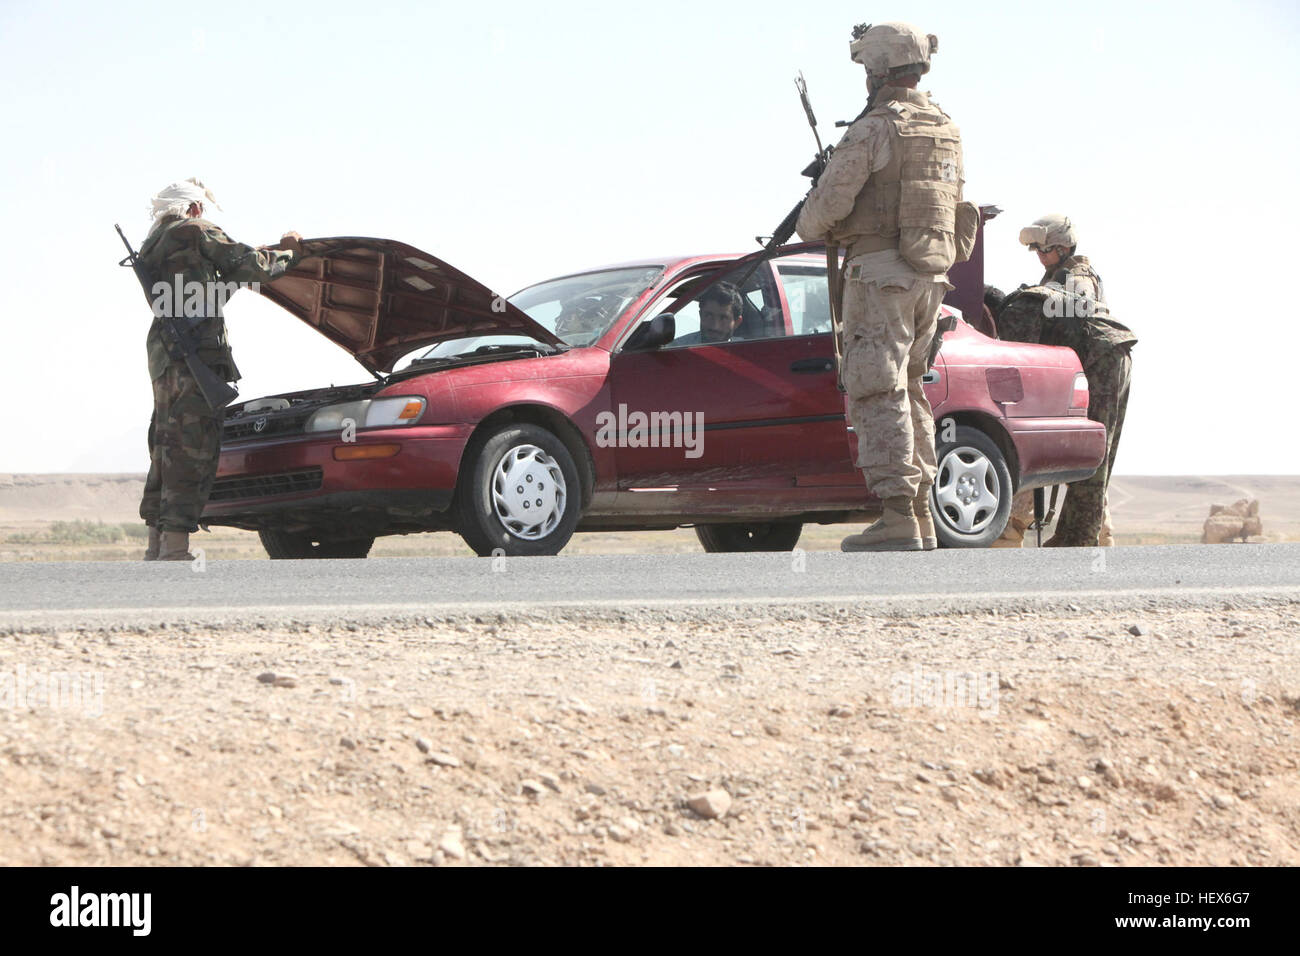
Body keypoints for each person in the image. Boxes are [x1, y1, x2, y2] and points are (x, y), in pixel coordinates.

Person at [795, 21, 969, 552]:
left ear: (877, 68)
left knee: (877, 388)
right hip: (929, 277)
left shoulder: (875, 128)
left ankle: (897, 515)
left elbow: (820, 216)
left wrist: (815, 202)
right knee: (911, 388)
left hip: (879, 276)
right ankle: (920, 517)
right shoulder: (944, 126)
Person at [137, 178, 304, 561]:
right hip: (196, 352)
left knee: (165, 443)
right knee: (192, 447)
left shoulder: (154, 244)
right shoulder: (197, 230)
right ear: (194, 208)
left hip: (165, 351)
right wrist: (289, 252)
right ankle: (176, 546)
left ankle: (156, 543)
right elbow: (252, 266)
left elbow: (208, 289)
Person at [994, 214, 1136, 547]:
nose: (1040, 257)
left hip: (1104, 361)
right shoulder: (1058, 274)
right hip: (1094, 362)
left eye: (1044, 250)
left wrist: (1030, 297)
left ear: (1062, 247)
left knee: (1093, 455)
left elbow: (1081, 304)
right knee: (1082, 453)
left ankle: (1079, 538)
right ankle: (1094, 536)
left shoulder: (1079, 274)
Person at [672, 282, 745, 346]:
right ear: (700, 315)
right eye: (709, 316)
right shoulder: (677, 348)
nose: (715, 326)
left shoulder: (746, 350)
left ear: (737, 322)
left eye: (723, 318)